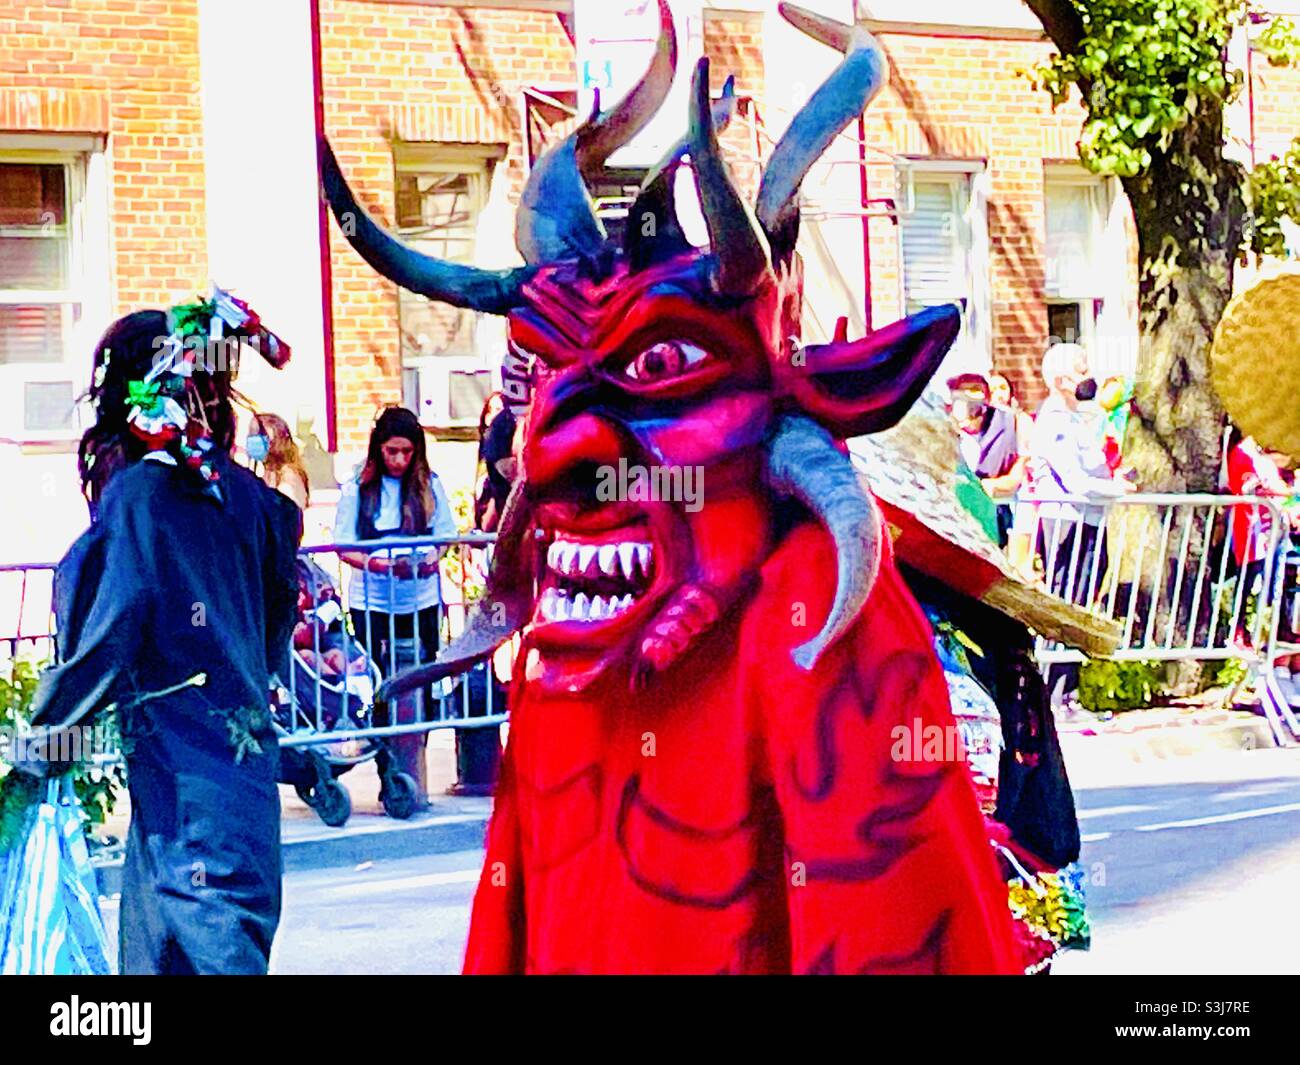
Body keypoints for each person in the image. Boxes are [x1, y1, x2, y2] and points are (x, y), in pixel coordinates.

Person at [14, 296, 300, 975]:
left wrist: (32, 748)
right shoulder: (251, 501)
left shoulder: (142, 496)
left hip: (189, 815)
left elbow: (108, 639)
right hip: (222, 806)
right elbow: (266, 639)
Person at [333, 406, 457, 796]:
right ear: (379, 450)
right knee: (378, 683)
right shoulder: (358, 487)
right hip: (371, 601)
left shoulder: (428, 485)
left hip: (419, 599)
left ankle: (414, 760)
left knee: (421, 679)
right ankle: (388, 769)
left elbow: (446, 536)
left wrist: (431, 561)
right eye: (392, 452)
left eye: (406, 452)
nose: (400, 460)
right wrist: (381, 565)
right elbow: (343, 544)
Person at [1025, 343, 1133, 606]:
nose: (1089, 376)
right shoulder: (1054, 421)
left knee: (1084, 595)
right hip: (1068, 522)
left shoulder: (1075, 418)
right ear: (1060, 381)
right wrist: (1120, 489)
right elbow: (1075, 481)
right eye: (1081, 370)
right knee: (1068, 599)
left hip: (1088, 519)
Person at [946, 372, 1026, 547]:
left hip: (996, 513)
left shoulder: (1011, 422)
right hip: (953, 514)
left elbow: (1020, 470)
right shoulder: (943, 429)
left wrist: (994, 485)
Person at [246, 411, 310, 510]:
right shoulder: (267, 473)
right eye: (252, 433)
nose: (254, 439)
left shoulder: (288, 479)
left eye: (260, 434)